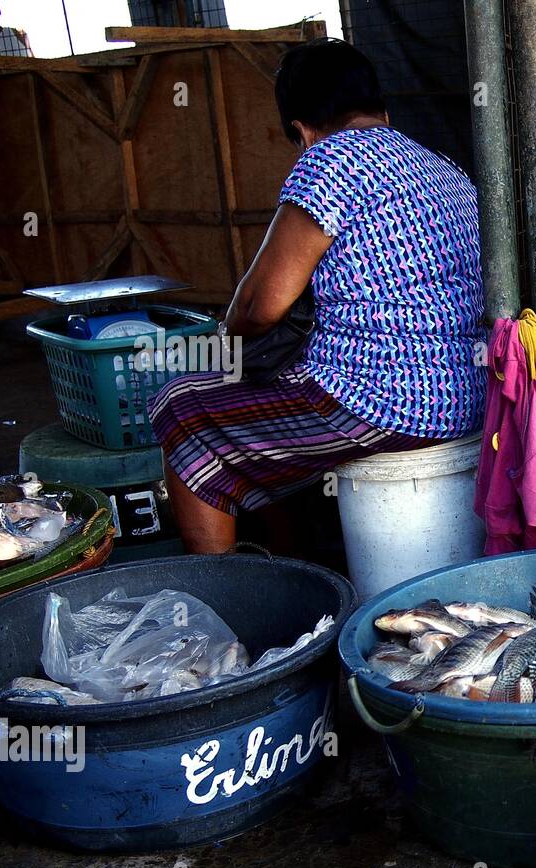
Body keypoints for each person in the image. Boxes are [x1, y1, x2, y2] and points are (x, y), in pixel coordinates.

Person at [149, 38, 485, 554]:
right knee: (252, 404)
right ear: (381, 109)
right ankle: (288, 563)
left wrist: (227, 343)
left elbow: (261, 307)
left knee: (183, 407)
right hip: (465, 390)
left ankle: (219, 598)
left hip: (382, 400)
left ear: (301, 129)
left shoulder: (330, 162)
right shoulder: (442, 167)